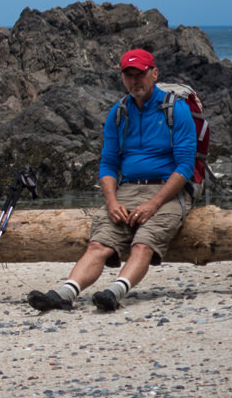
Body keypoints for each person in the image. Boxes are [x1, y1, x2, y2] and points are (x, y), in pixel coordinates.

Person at [28, 48, 196, 312]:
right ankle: (64, 294)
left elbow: (185, 167)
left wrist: (153, 204)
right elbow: (108, 163)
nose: (134, 81)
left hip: (167, 191)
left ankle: (115, 292)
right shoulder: (118, 113)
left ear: (154, 73)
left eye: (139, 74)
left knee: (143, 243)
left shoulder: (177, 109)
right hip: (127, 190)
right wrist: (112, 201)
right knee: (99, 243)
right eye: (128, 75)